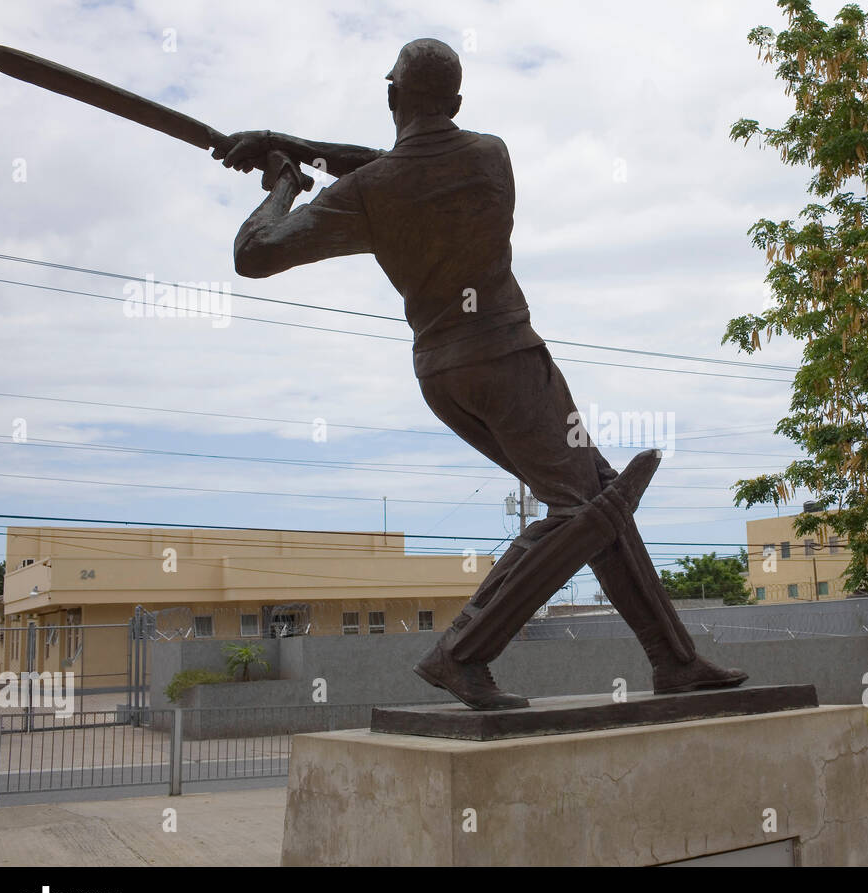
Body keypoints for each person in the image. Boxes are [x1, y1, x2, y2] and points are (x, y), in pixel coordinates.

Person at [211, 38, 747, 710]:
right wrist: (287, 148)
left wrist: (284, 178)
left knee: (598, 497)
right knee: (586, 508)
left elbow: (256, 252)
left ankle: (674, 661)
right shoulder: (488, 155)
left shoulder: (372, 193)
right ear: (457, 103)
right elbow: (402, 166)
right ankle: (461, 654)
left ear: (390, 98)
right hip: (507, 361)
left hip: (443, 375)